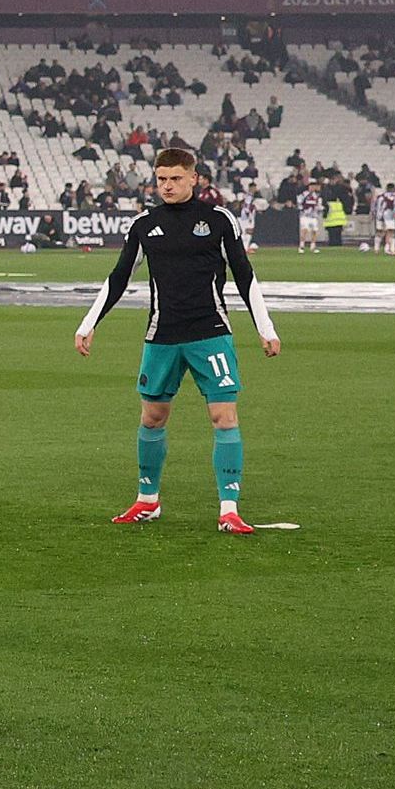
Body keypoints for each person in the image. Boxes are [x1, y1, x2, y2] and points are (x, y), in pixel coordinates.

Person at [76, 144, 277, 530]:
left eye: (175, 178)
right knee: (152, 417)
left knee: (224, 417)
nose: (167, 186)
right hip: (162, 335)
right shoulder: (144, 225)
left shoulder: (219, 220)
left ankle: (229, 509)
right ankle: (147, 501)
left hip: (210, 333)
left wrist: (265, 329)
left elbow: (244, 275)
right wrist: (89, 324)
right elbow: (119, 277)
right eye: (161, 179)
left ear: (194, 178)